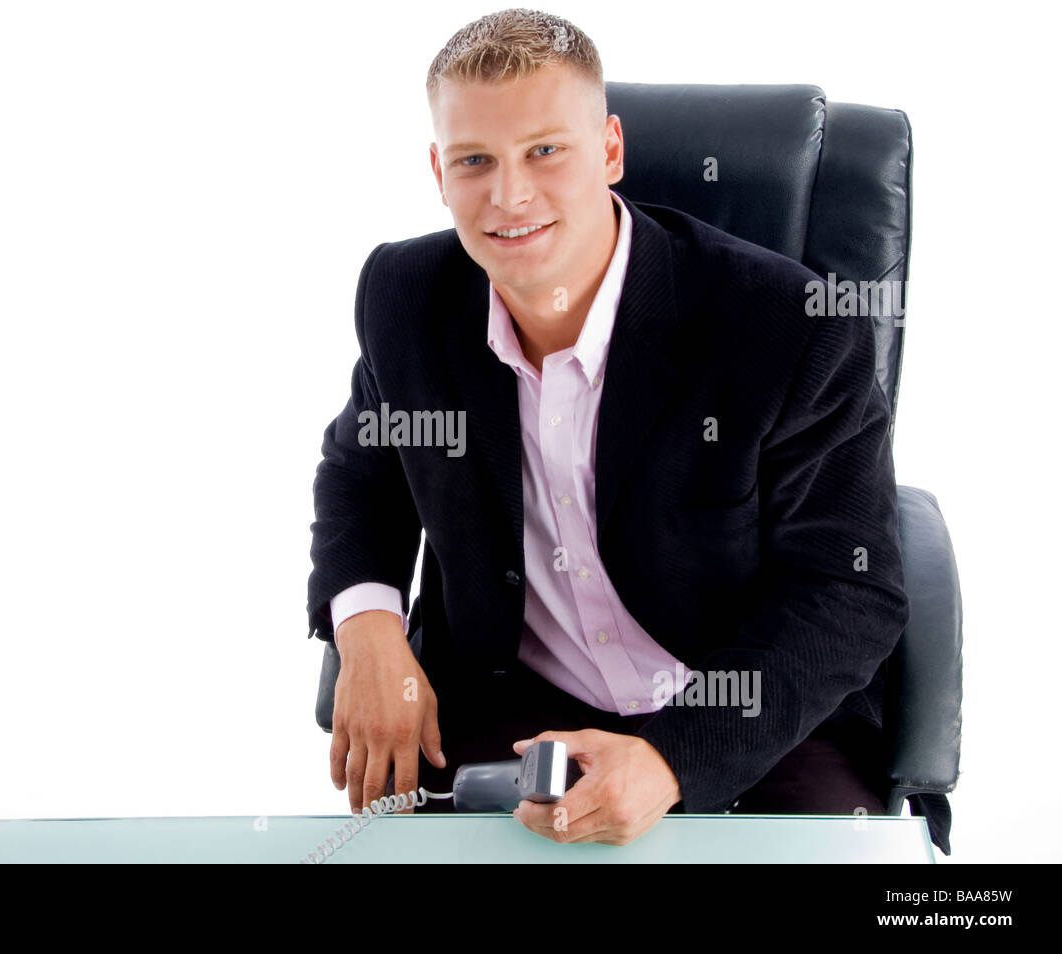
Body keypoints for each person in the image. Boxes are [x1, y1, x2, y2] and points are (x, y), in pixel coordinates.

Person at [306, 8, 926, 850]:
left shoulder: (790, 327)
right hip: (518, 702)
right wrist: (368, 626)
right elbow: (363, 474)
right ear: (439, 172)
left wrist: (672, 758)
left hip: (751, 707)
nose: (509, 195)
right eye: (475, 160)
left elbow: (849, 592)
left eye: (545, 151)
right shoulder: (405, 295)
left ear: (609, 150)